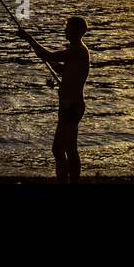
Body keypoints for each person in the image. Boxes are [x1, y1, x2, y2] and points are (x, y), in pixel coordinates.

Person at [20, 17, 90, 183]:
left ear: (76, 31)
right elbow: (64, 70)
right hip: (69, 106)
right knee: (70, 148)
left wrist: (29, 39)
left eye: (68, 28)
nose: (65, 30)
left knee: (58, 149)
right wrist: (49, 61)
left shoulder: (78, 50)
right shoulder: (77, 51)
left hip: (71, 107)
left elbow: (47, 55)